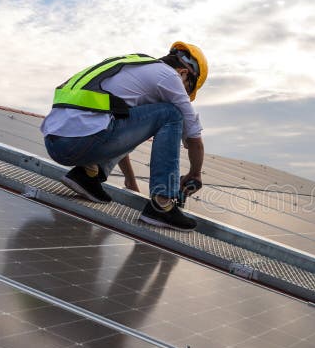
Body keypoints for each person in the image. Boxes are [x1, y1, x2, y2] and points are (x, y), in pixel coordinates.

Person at [40, 41, 208, 231]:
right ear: (184, 73)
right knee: (171, 114)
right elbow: (194, 137)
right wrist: (195, 173)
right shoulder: (169, 76)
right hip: (82, 140)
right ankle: (162, 203)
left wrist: (130, 181)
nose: (183, 95)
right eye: (187, 90)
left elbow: (122, 132)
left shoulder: (135, 67)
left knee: (129, 117)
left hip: (56, 141)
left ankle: (87, 175)